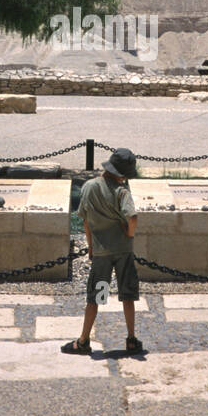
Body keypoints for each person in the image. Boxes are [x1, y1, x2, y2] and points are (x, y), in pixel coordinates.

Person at [62, 147, 143, 355]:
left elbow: (86, 221)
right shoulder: (121, 191)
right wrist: (129, 233)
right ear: (123, 174)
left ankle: (84, 340)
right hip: (123, 251)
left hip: (101, 253)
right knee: (127, 295)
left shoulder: (88, 187)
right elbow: (132, 218)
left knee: (97, 296)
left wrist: (90, 246)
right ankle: (131, 339)